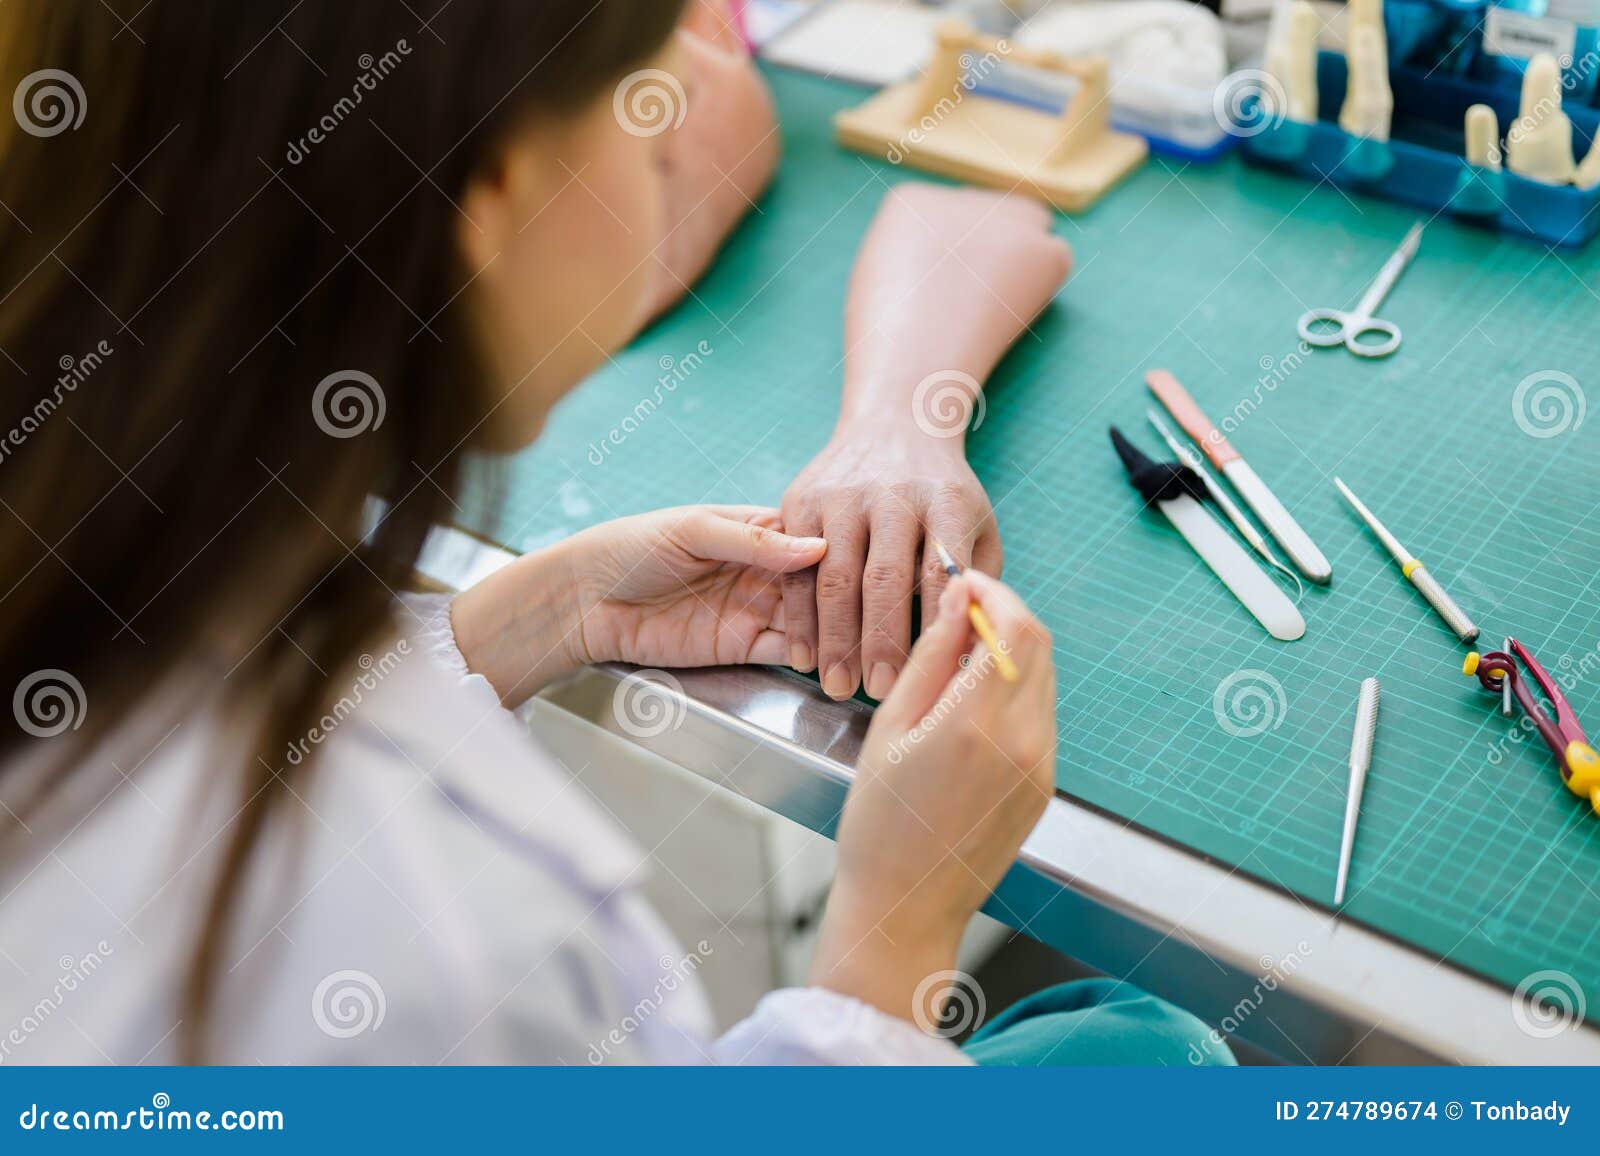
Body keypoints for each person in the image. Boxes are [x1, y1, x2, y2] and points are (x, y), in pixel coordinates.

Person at [0, 0, 1228, 1065]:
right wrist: (891, 938)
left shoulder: (93, 551)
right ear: (494, 193)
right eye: (644, 90)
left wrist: (543, 611)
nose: (704, 81)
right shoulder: (464, 954)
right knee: (1159, 1048)